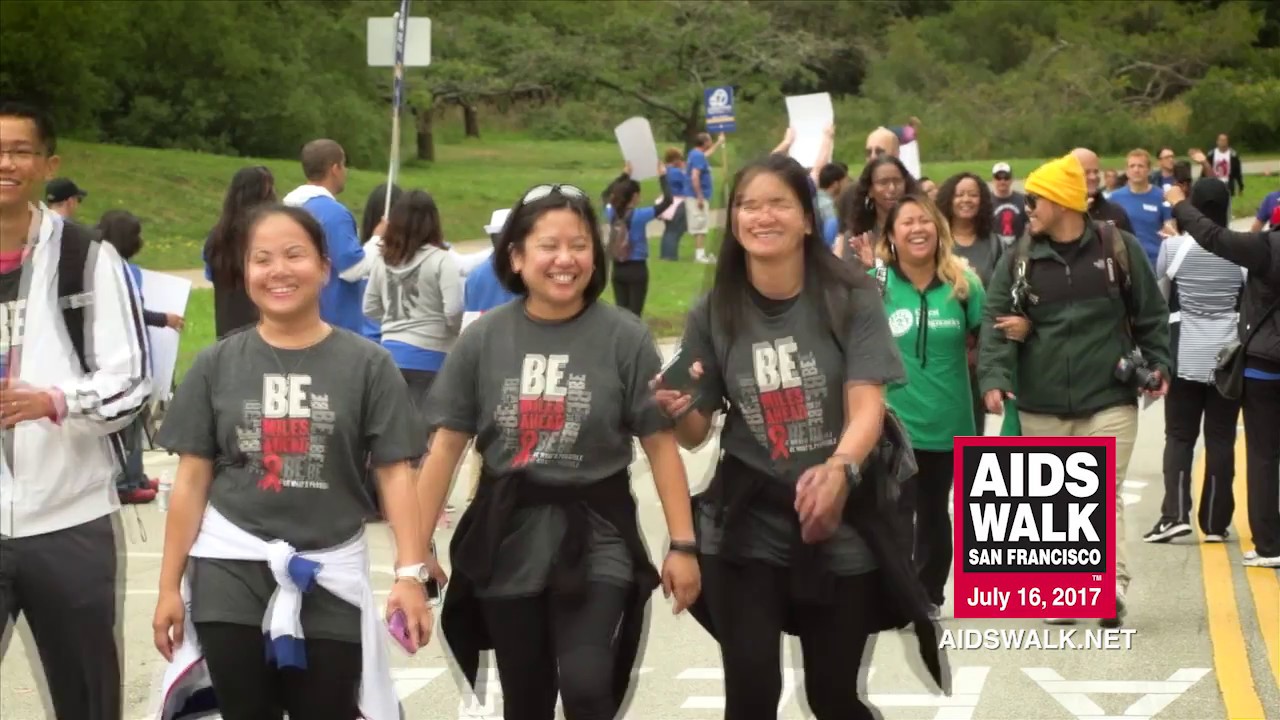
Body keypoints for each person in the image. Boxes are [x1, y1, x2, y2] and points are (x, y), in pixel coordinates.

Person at [655, 153, 941, 719]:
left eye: (778, 204)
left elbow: (867, 407)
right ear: (734, 221)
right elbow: (694, 434)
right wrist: (673, 408)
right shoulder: (713, 310)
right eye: (748, 206)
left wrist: (838, 470)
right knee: (751, 695)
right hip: (747, 522)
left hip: (840, 517)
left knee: (832, 697)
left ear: (808, 219)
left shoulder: (850, 297)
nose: (762, 216)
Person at [414, 183, 701, 720]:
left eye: (579, 245)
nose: (565, 259)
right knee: (526, 701)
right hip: (507, 539)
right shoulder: (483, 339)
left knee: (588, 688)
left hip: (598, 534)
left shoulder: (625, 337)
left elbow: (661, 446)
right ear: (516, 257)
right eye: (548, 245)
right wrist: (415, 554)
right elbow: (445, 448)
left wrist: (682, 545)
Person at [150, 204, 433, 720]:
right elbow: (191, 481)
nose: (278, 270)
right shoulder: (216, 363)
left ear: (325, 267)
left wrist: (410, 575)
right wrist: (169, 587)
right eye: (262, 259)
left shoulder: (369, 364)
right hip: (229, 570)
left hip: (330, 572)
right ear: (245, 272)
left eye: (294, 255)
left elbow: (395, 474)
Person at [0, 101, 153, 720]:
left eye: (20, 151)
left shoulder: (86, 257)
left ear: (47, 164)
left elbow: (133, 382)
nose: (6, 163)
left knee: (86, 699)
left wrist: (55, 401)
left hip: (70, 518)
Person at [979, 154, 1172, 627]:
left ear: (1062, 202)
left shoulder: (1117, 247)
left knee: (1100, 490)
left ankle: (1110, 587)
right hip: (1041, 400)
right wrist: (995, 376)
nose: (1027, 207)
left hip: (1109, 396)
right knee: (1056, 500)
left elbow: (1150, 314)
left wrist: (1159, 363)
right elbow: (995, 320)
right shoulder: (1020, 258)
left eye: (1036, 199)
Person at [871, 192, 985, 619]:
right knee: (895, 510)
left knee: (934, 510)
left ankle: (929, 594)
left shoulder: (964, 284)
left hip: (948, 420)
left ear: (939, 230)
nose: (918, 229)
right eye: (907, 222)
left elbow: (988, 342)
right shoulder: (875, 284)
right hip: (890, 424)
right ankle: (897, 593)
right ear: (891, 234)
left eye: (925, 221)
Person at [1165, 183, 1280, 568]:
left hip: (1259, 366)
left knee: (1261, 456)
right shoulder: (1256, 253)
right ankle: (1224, 522)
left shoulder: (1264, 247)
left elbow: (1211, 236)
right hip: (1246, 357)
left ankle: (1268, 544)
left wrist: (1179, 205)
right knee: (1224, 438)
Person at [1144, 178, 1244, 545]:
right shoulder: (1241, 250)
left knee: (1180, 436)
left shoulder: (1173, 248)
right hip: (1227, 358)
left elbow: (1161, 294)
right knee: (1221, 438)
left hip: (1184, 352)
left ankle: (1174, 515)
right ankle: (1216, 522)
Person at [96, 209, 185, 504]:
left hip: (125, 353)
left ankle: (137, 474)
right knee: (127, 417)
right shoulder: (111, 270)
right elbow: (130, 310)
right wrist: (163, 319)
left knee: (135, 419)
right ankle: (127, 482)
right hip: (120, 358)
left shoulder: (109, 263)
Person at [363, 189, 463, 421]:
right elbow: (453, 310)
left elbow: (369, 307)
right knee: (425, 428)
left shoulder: (383, 260)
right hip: (432, 356)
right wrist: (452, 331)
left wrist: (393, 320)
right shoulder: (441, 260)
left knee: (396, 427)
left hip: (390, 355)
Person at [282, 139, 380, 337]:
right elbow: (352, 269)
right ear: (335, 169)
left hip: (300, 317)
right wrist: (378, 238)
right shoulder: (334, 214)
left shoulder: (287, 209)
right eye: (344, 165)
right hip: (335, 323)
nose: (345, 171)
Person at [204, 166, 275, 339]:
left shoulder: (217, 236)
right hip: (262, 327)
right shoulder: (267, 233)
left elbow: (209, 274)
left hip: (227, 327)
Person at [605, 162, 673, 317]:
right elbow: (668, 200)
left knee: (621, 314)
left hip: (618, 269)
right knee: (635, 315)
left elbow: (607, 194)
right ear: (634, 196)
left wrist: (624, 176)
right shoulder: (640, 215)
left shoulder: (611, 213)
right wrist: (663, 176)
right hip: (637, 269)